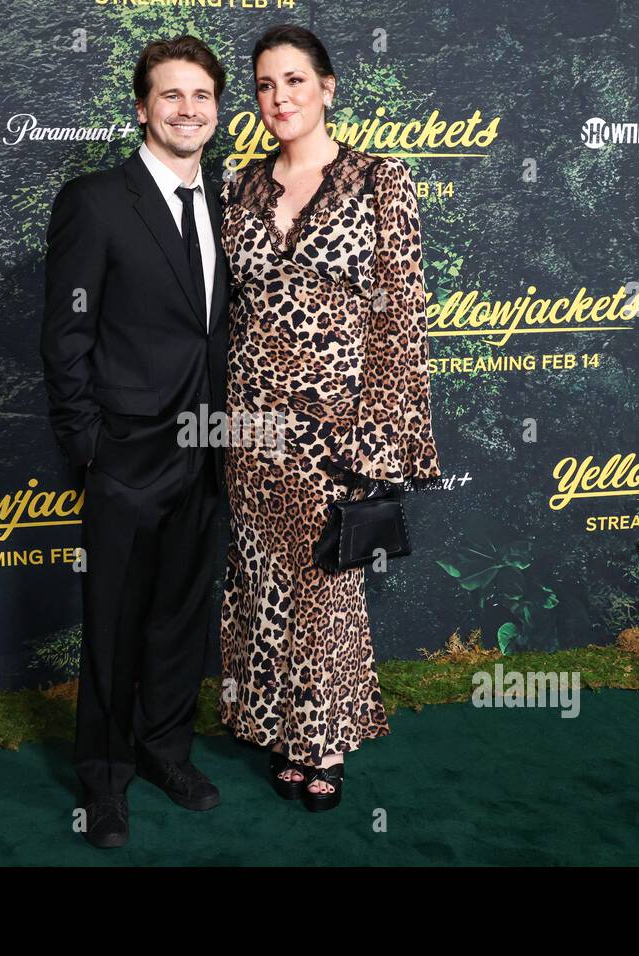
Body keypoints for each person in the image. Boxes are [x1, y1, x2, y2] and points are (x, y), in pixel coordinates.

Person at [217, 24, 442, 812]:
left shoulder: (382, 181)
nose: (278, 98)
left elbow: (400, 319)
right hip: (248, 427)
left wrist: (380, 439)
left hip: (334, 427)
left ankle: (325, 742)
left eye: (294, 82)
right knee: (261, 580)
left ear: (329, 88)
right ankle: (280, 728)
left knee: (323, 587)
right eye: (264, 87)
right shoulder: (235, 188)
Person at [40, 34, 230, 848]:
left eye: (202, 97)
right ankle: (106, 780)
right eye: (171, 96)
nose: (188, 111)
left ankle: (164, 752)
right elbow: (66, 335)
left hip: (212, 448)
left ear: (217, 109)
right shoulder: (96, 199)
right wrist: (89, 445)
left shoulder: (229, 200)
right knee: (114, 626)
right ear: (143, 107)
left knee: (182, 618)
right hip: (126, 454)